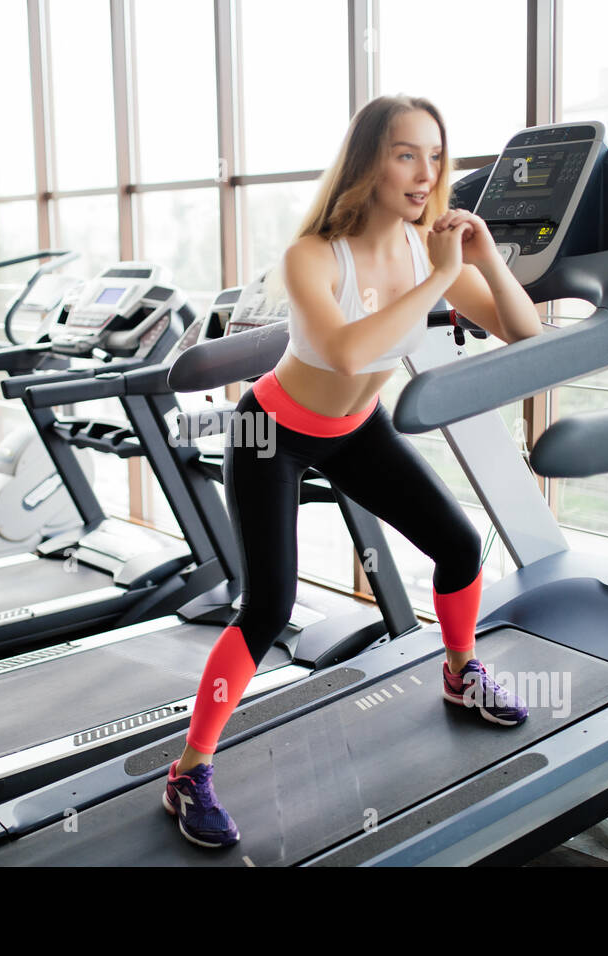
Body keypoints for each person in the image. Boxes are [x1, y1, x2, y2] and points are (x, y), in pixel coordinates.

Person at [163, 95, 543, 849]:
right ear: (368, 161)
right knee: (268, 607)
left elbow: (525, 333)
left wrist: (486, 260)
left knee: (459, 547)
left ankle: (459, 674)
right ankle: (187, 774)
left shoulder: (418, 249)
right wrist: (439, 279)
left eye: (435, 156)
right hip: (271, 432)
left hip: (354, 429)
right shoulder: (313, 254)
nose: (425, 172)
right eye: (407, 154)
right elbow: (341, 352)